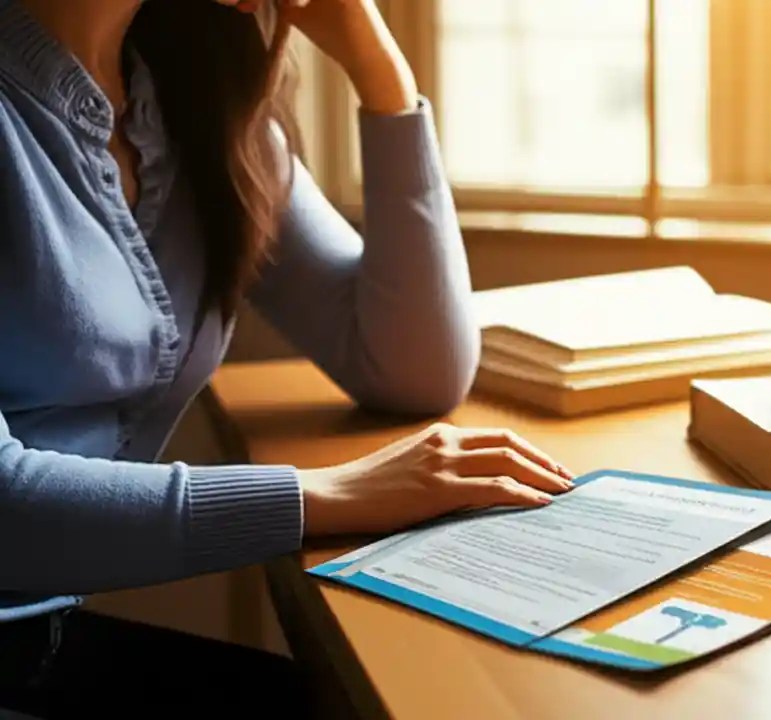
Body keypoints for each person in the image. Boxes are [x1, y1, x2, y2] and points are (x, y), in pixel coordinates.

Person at [0, 0, 575, 715]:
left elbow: (412, 368)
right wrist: (325, 494)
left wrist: (376, 63)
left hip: (44, 644)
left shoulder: (186, 100)